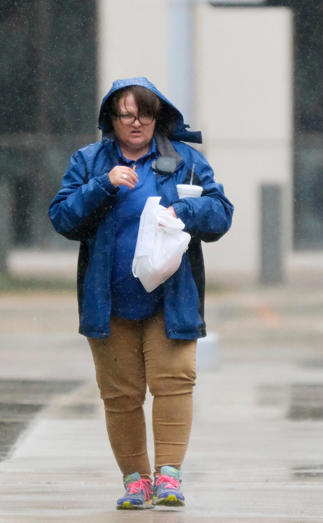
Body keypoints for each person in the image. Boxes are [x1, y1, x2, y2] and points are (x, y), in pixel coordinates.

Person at [48, 77, 233, 509]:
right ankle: (136, 482)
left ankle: (169, 477)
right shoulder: (89, 162)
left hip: (172, 297)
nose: (136, 122)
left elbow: (221, 214)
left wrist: (185, 209)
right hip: (108, 300)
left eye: (145, 114)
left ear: (157, 116)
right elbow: (62, 218)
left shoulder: (184, 159)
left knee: (174, 383)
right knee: (120, 394)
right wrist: (103, 185)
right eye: (126, 115)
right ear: (111, 119)